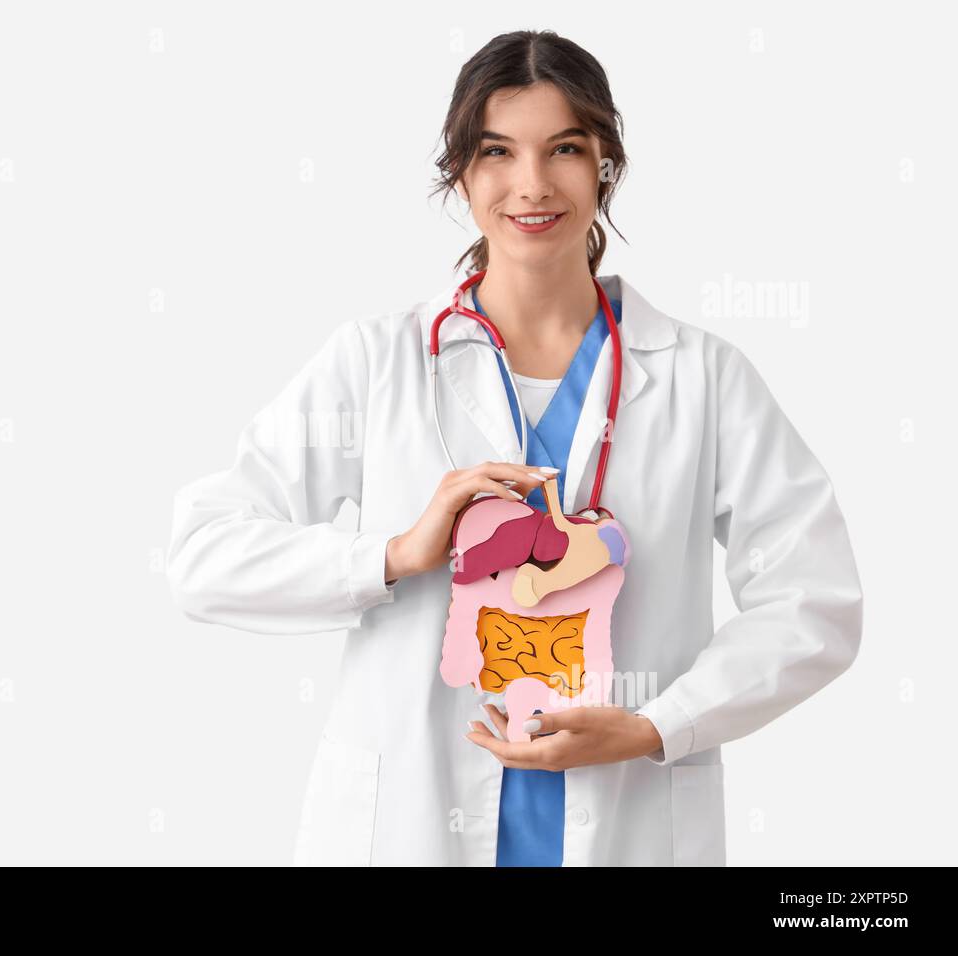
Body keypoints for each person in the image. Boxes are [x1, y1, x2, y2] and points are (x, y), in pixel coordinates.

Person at [166, 29, 863, 866]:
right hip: (412, 827)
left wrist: (656, 725)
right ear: (461, 174)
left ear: (607, 164)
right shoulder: (377, 363)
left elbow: (815, 599)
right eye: (498, 152)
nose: (532, 184)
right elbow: (202, 556)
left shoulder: (703, 379)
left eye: (565, 148)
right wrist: (392, 554)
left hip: (627, 817)